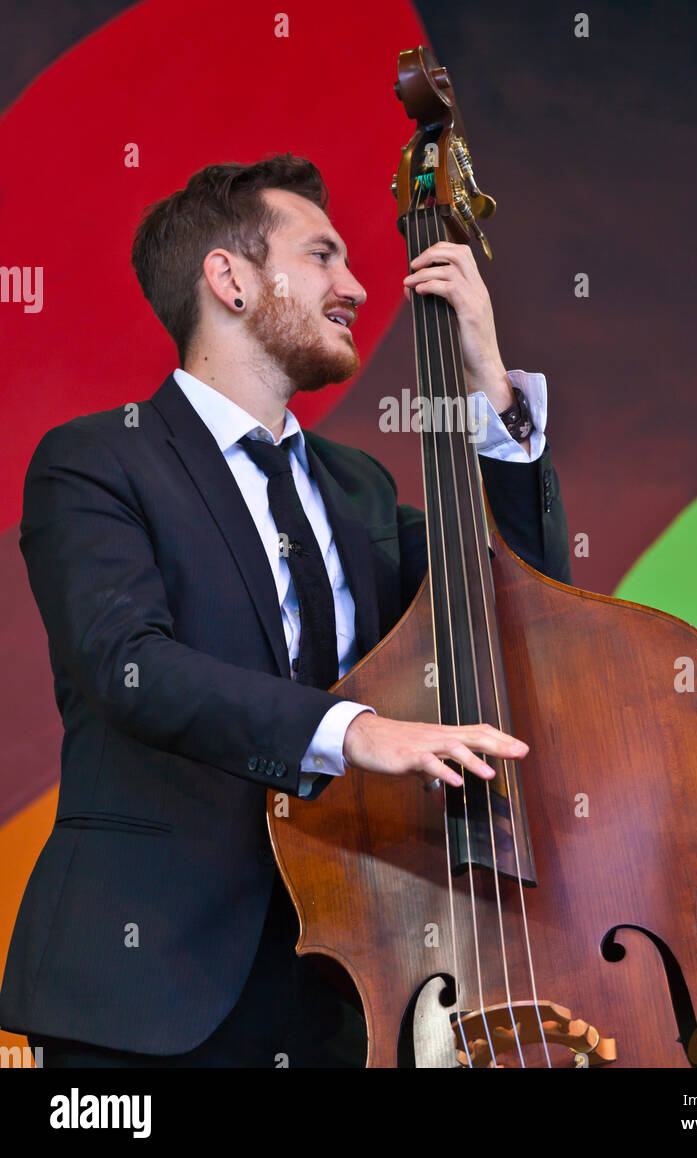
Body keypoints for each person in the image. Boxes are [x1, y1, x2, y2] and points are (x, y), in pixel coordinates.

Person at [0, 153, 572, 1067]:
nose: (355, 285)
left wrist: (488, 380)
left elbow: (525, 599)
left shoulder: (361, 488)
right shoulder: (96, 462)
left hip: (345, 977)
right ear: (228, 278)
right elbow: (127, 664)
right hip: (149, 988)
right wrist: (354, 732)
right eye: (323, 256)